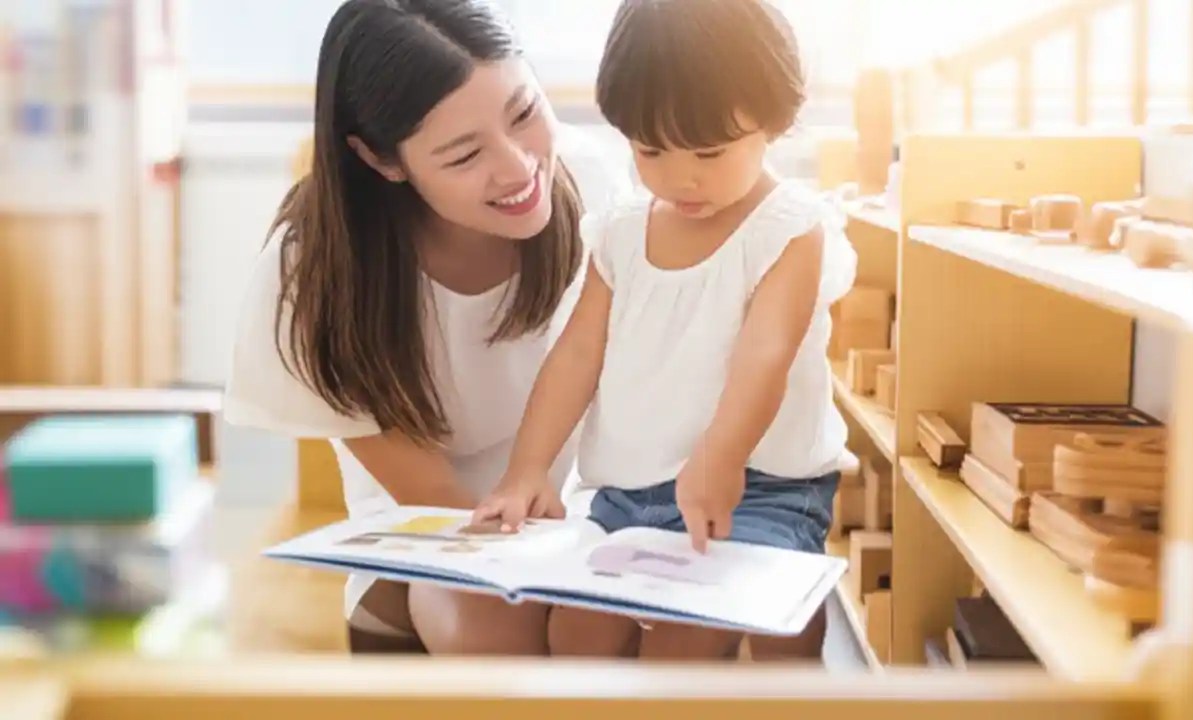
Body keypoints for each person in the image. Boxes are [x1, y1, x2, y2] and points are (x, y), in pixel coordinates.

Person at [222, 0, 630, 655]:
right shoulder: (316, 275)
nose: (519, 168)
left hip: (586, 516)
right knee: (493, 619)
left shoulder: (594, 182)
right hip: (437, 534)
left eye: (524, 113)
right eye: (465, 155)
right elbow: (440, 506)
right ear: (382, 161)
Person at [474, 0, 857, 662]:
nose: (682, 177)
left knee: (701, 636)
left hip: (758, 484)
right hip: (630, 491)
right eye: (650, 149)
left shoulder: (790, 227)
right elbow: (575, 357)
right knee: (576, 634)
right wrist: (526, 469)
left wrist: (719, 457)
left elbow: (764, 357)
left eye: (709, 151)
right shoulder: (622, 231)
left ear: (772, 121)